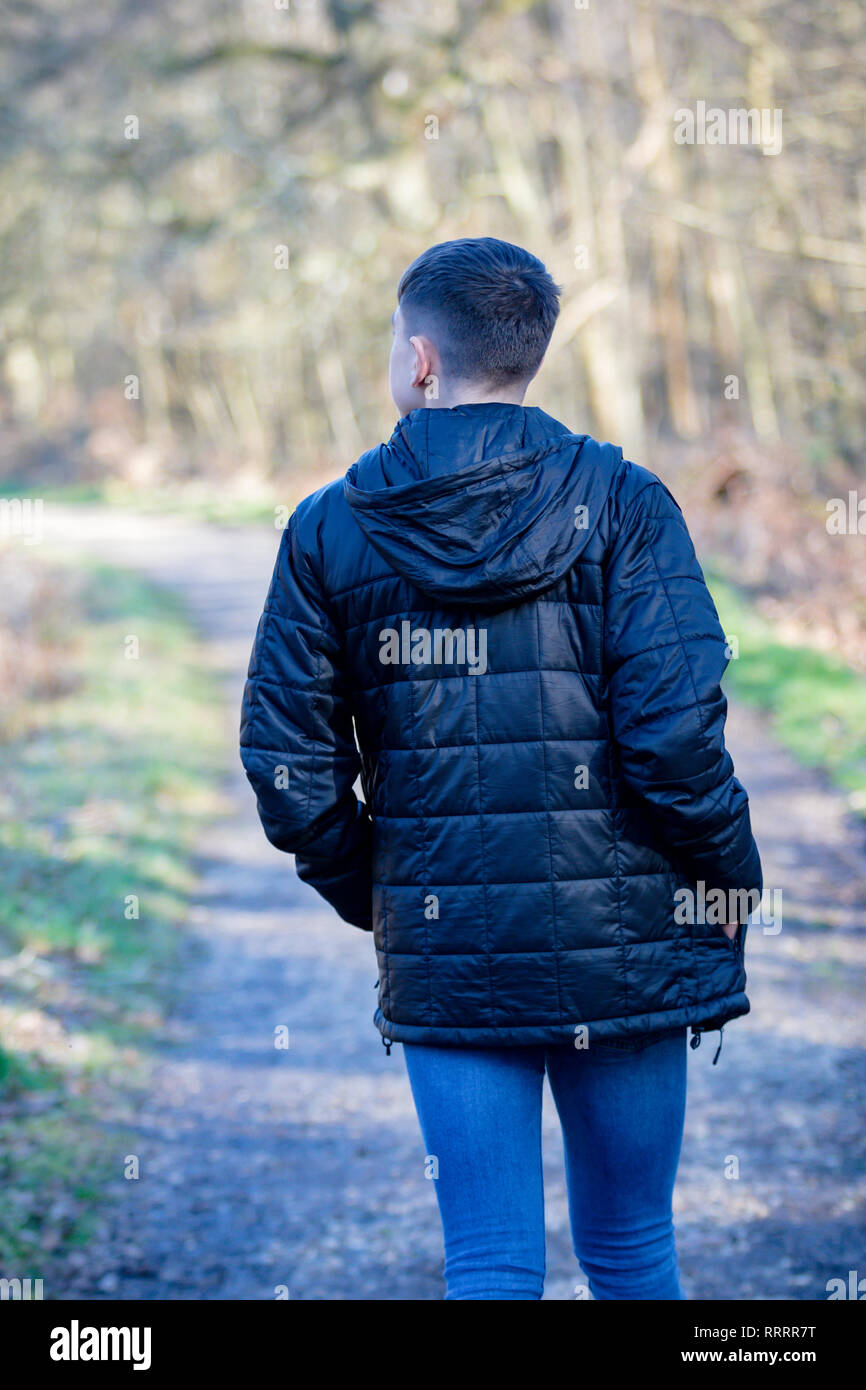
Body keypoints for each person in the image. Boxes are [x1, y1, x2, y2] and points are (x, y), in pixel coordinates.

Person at [239, 236, 762, 1300]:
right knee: (630, 1249)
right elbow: (673, 739)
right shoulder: (624, 503)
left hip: (451, 946)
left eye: (395, 340)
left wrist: (381, 888)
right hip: (626, 948)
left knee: (487, 1262)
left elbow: (288, 767)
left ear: (421, 360)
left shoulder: (327, 527)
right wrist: (726, 879)